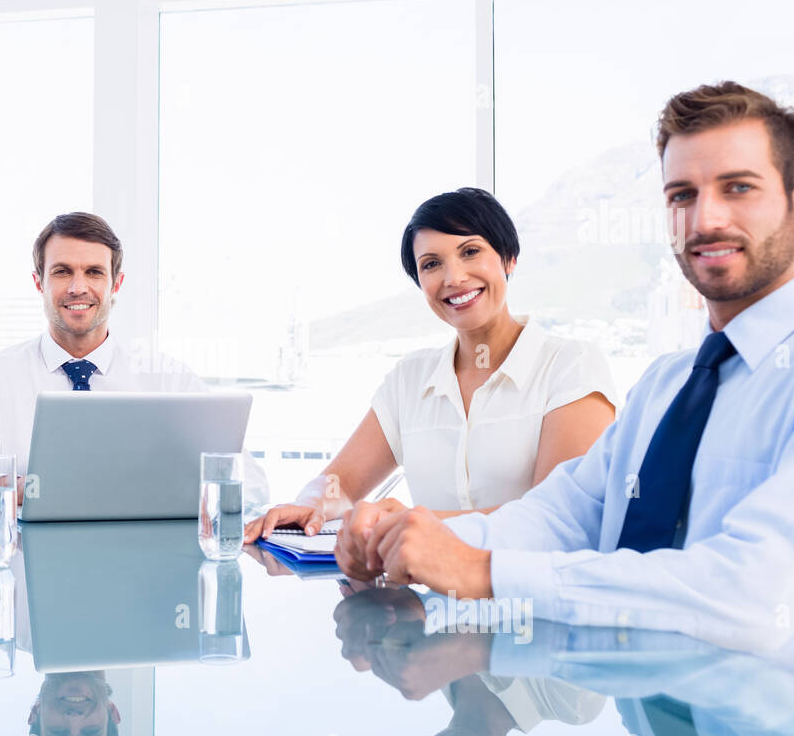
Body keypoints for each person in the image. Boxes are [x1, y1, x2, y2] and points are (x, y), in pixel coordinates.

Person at [338, 82, 794, 654]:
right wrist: (407, 540)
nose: (707, 218)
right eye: (681, 195)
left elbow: (751, 593)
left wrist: (483, 573)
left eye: (738, 188)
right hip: (651, 722)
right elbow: (563, 517)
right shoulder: (666, 387)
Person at [245, 187, 616, 543]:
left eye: (470, 251)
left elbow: (560, 516)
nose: (453, 278)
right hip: (432, 602)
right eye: (432, 264)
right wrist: (309, 507)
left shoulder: (570, 366)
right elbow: (339, 482)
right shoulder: (410, 380)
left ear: (509, 259)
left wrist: (414, 525)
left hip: (536, 599)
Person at [0, 211, 267, 509]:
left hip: (138, 579)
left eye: (94, 272)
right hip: (24, 576)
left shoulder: (170, 382)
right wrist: (13, 487)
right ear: (39, 282)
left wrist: (158, 488)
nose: (78, 287)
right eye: (62, 271)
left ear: (115, 284)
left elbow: (250, 482)